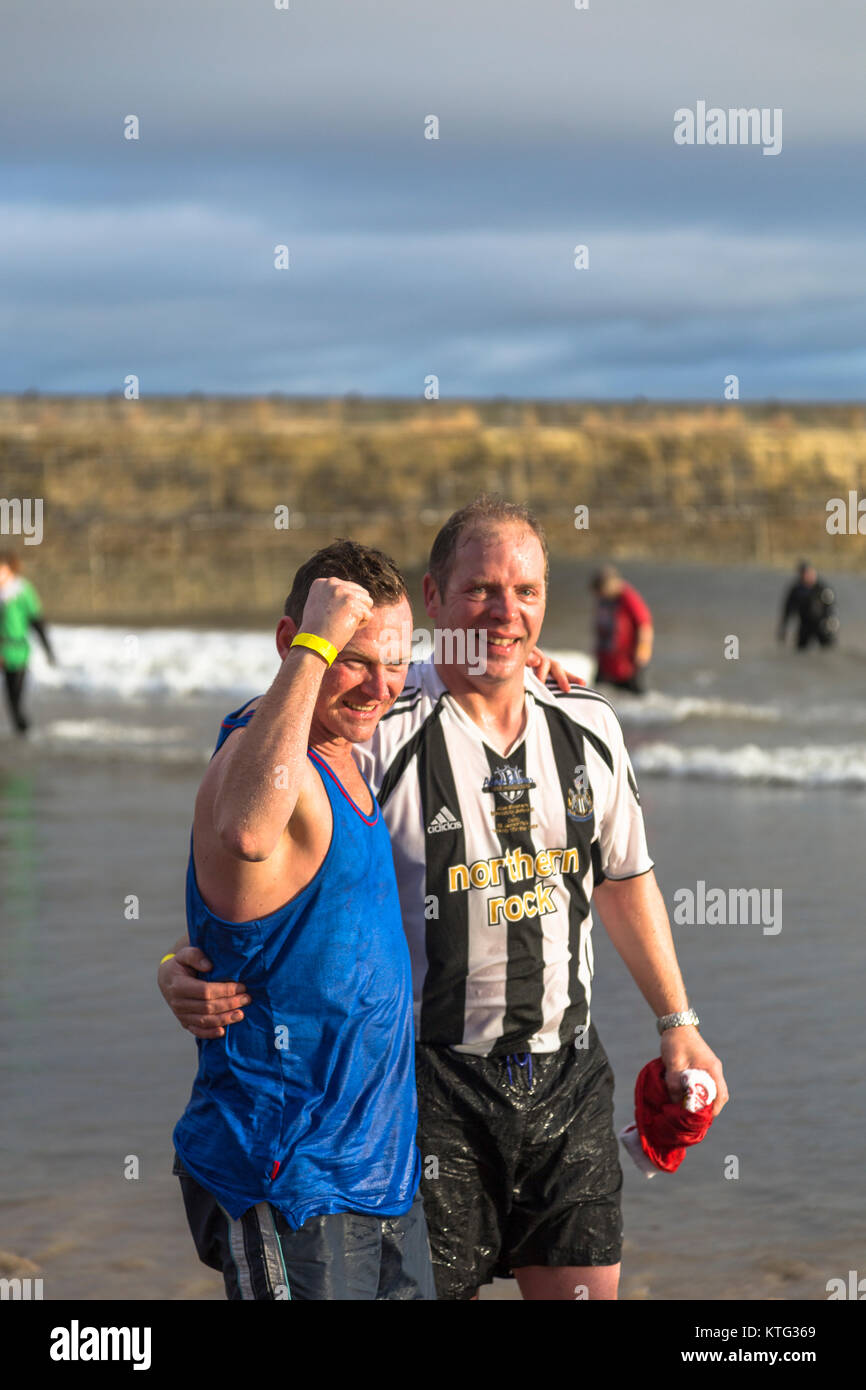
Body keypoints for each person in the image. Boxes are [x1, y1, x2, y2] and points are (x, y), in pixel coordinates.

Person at [161, 497, 728, 1301]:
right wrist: (188, 959)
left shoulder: (590, 724)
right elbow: (249, 815)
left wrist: (680, 1024)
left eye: (526, 592)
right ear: (434, 599)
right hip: (426, 1092)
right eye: (480, 592)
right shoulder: (376, 723)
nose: (506, 612)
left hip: (568, 1074)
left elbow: (624, 879)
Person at [169, 539, 435, 1301]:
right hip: (289, 1176)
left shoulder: (347, 736)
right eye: (355, 660)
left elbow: (471, 671)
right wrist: (317, 645)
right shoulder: (260, 757)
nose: (381, 686)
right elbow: (249, 831)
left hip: (381, 1171)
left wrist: (536, 668)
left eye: (396, 661)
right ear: (295, 644)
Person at [0, 551, 55, 734]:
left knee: (14, 699)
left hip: (17, 650)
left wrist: (48, 650)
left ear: (10, 569)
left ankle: (24, 732)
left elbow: (36, 622)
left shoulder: (23, 591)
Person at [590, 565, 653, 694]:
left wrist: (643, 650)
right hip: (606, 660)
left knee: (634, 696)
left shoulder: (628, 597)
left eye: (602, 590)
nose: (600, 595)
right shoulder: (605, 600)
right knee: (598, 693)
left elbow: (644, 625)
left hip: (627, 663)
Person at [778, 561, 839, 650]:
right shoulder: (796, 590)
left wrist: (832, 625)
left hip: (822, 625)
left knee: (828, 650)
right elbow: (788, 609)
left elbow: (832, 608)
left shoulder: (822, 588)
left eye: (809, 573)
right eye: (804, 573)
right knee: (800, 652)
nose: (807, 576)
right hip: (805, 625)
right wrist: (784, 628)